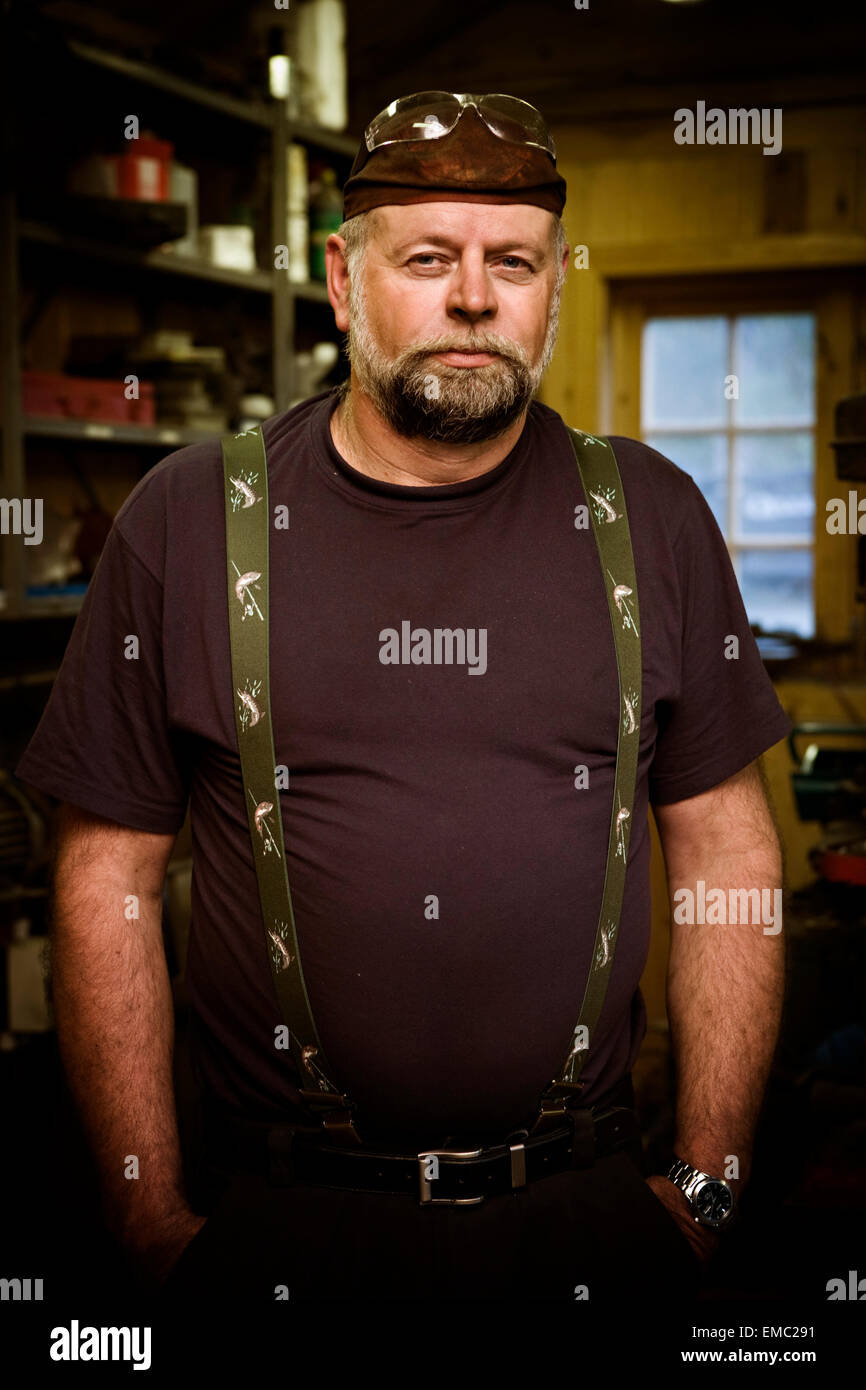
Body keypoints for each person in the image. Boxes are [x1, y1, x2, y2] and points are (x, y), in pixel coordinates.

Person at [15, 91, 790, 1308]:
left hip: (585, 1216)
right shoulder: (186, 520)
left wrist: (706, 1186)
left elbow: (726, 853)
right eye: (427, 258)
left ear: (552, 286)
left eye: (511, 262)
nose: (472, 296)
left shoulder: (651, 515)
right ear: (339, 276)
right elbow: (103, 876)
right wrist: (145, 1213)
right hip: (276, 1225)